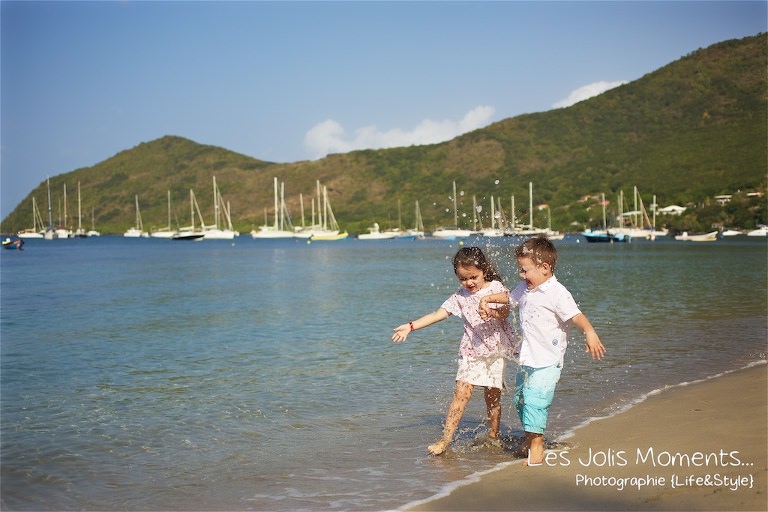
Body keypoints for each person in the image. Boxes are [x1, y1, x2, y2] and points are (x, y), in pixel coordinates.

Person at [479, 236, 606, 466]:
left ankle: (537, 446)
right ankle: (530, 439)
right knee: (520, 399)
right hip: (528, 358)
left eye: (525, 270)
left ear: (545, 268)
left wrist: (589, 331)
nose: (521, 275)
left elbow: (575, 315)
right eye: (520, 270)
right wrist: (489, 299)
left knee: (535, 401)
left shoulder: (557, 292)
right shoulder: (526, 289)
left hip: (548, 360)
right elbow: (509, 298)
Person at [392, 246, 516, 456]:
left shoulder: (495, 287)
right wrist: (411, 326)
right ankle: (445, 440)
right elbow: (437, 314)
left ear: (484, 270)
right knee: (460, 394)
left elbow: (506, 310)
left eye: (473, 277)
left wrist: (492, 311)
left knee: (492, 398)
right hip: (471, 351)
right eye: (463, 279)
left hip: (495, 352)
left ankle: (493, 436)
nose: (469, 283)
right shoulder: (459, 297)